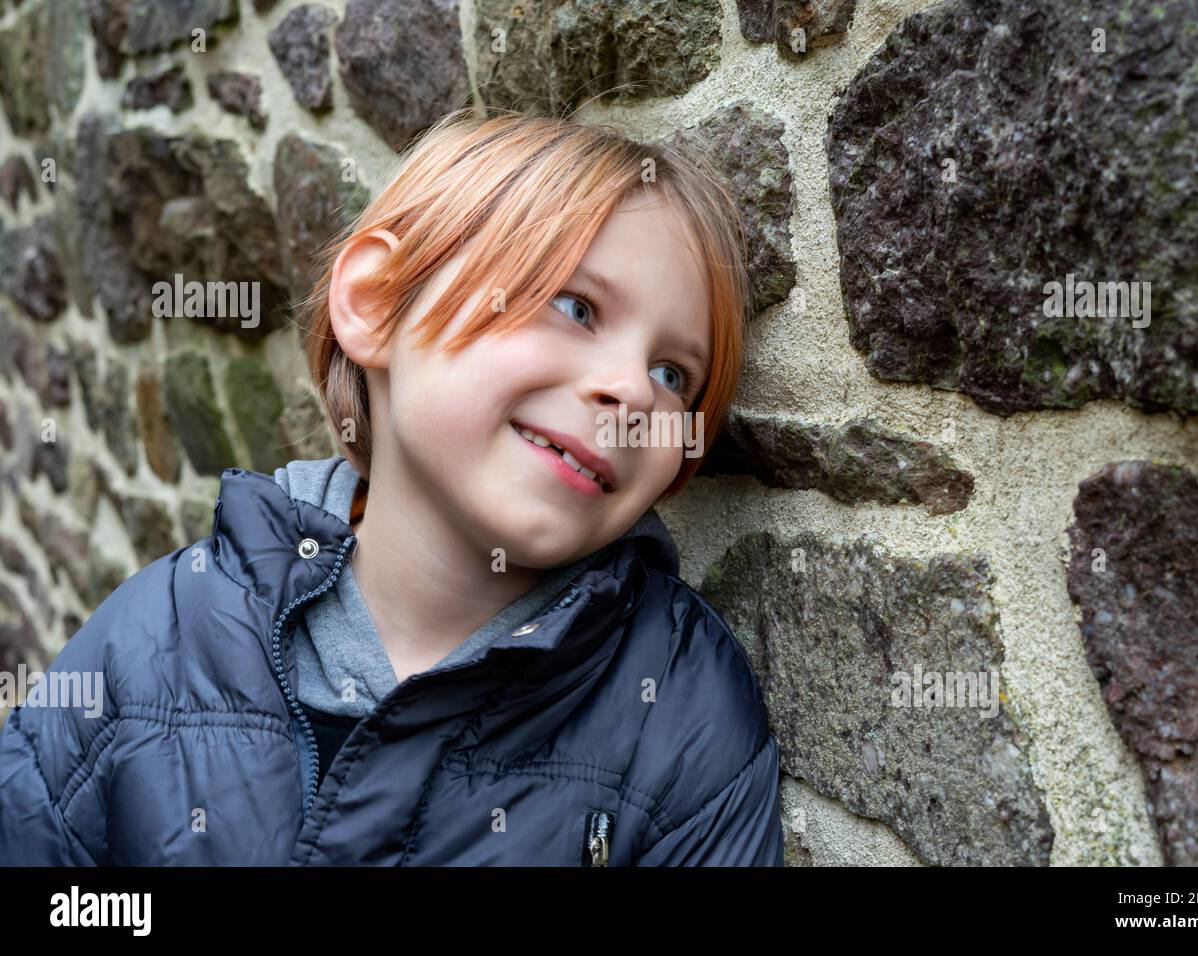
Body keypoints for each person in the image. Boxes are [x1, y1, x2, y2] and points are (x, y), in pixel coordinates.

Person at [0, 108, 783, 866]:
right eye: (575, 306)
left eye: (671, 373)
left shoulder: (683, 712)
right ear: (376, 302)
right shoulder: (156, 637)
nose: (631, 392)